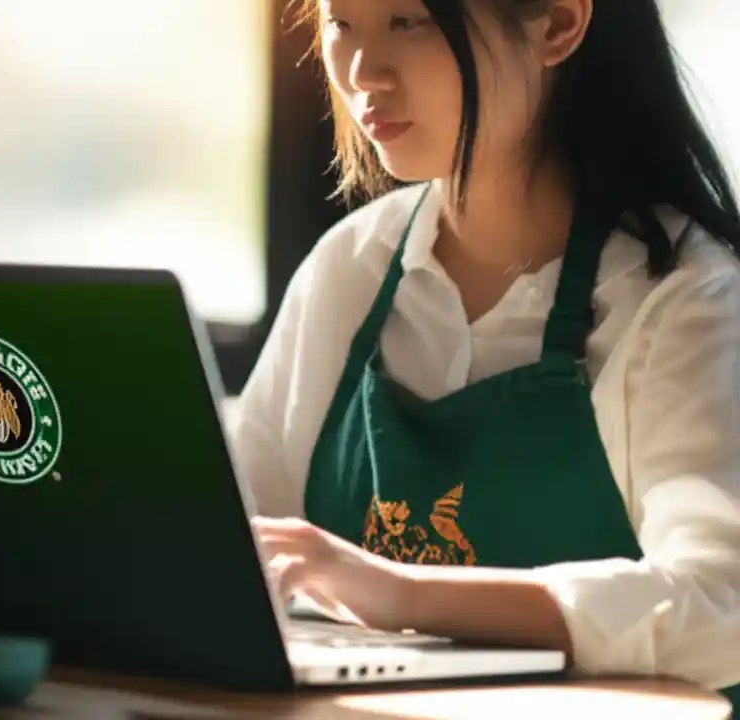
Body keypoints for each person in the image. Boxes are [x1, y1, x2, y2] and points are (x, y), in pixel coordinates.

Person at [232, 0, 740, 704]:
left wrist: (400, 593)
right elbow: (239, 540)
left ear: (559, 23)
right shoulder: (351, 267)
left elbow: (721, 603)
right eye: (339, 23)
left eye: (408, 22)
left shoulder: (684, 297)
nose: (361, 73)